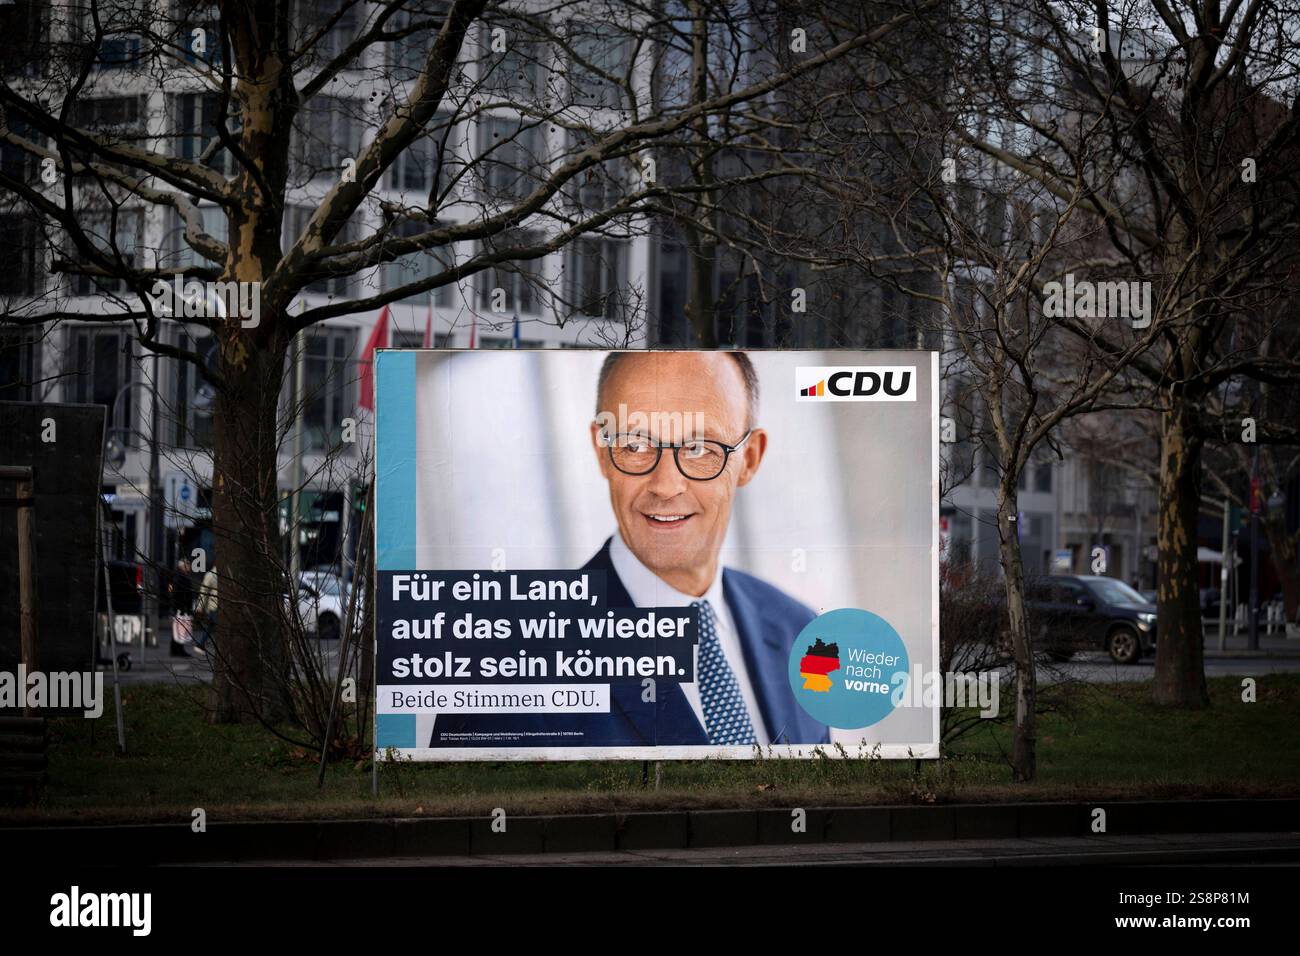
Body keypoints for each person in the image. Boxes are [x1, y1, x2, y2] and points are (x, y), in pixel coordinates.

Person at [431, 352, 829, 748]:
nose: (666, 484)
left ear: (750, 459)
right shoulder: (505, 672)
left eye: (700, 448)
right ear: (602, 451)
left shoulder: (802, 635)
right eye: (636, 445)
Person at [193, 564, 218, 656]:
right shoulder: (211, 575)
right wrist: (200, 606)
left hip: (214, 605)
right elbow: (203, 591)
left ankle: (201, 644)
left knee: (212, 626)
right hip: (215, 605)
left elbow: (204, 591)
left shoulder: (212, 574)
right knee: (212, 625)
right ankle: (201, 644)